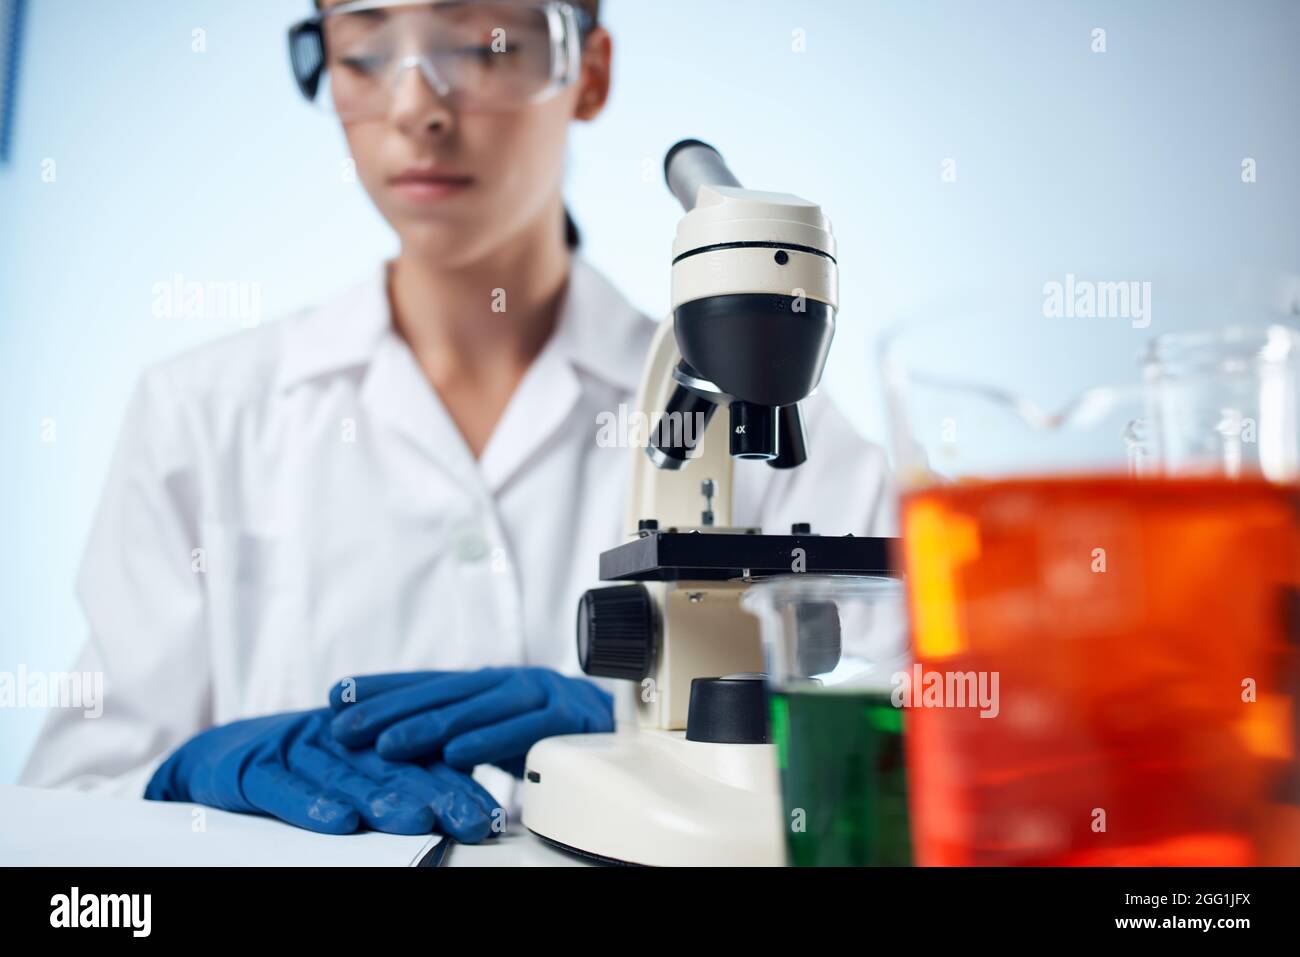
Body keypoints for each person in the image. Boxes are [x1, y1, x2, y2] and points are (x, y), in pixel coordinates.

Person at [20, 0, 895, 842]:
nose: (415, 108)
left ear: (588, 72)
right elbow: (62, 815)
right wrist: (172, 777)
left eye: (484, 45)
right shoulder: (199, 416)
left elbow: (920, 763)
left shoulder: (790, 432)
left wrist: (647, 723)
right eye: (362, 49)